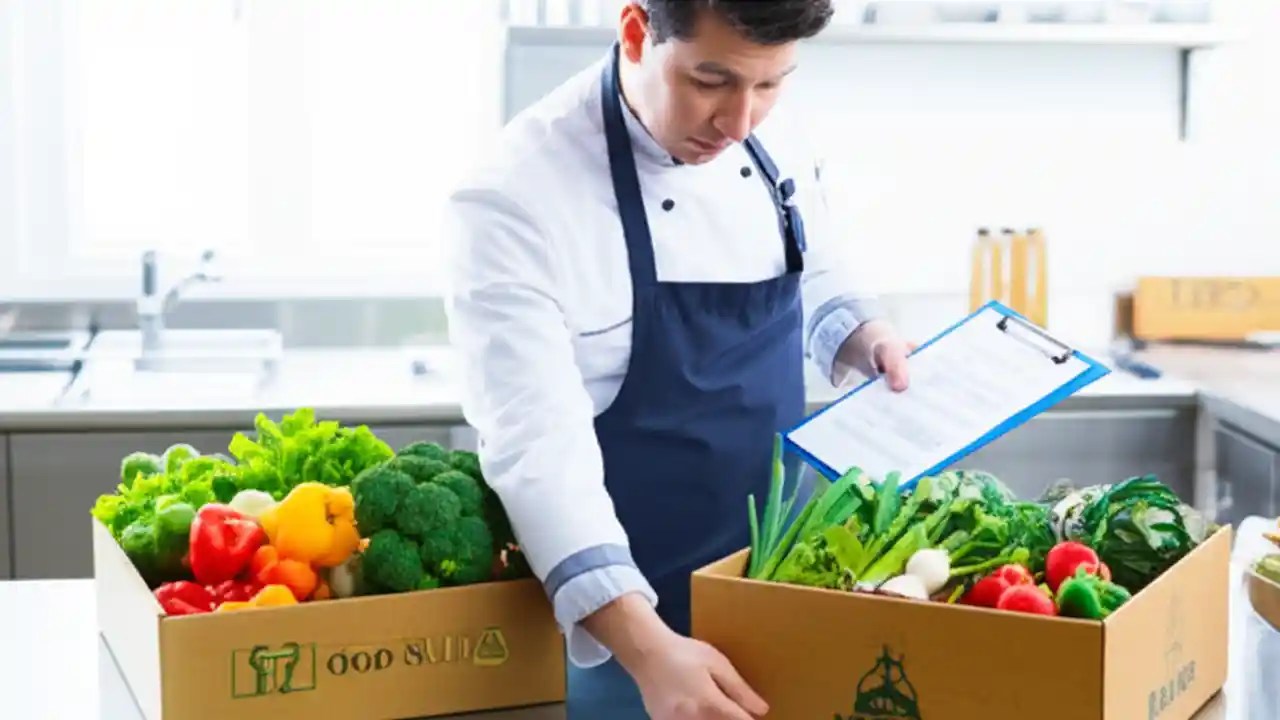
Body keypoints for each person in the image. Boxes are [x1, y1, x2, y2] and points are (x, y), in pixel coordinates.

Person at [444, 2, 914, 717]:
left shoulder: (761, 122)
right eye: (709, 81)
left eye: (770, 85)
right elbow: (536, 447)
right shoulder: (516, 195)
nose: (739, 123)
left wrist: (863, 330)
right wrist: (648, 651)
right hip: (631, 634)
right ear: (636, 30)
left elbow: (809, 257)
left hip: (785, 592)